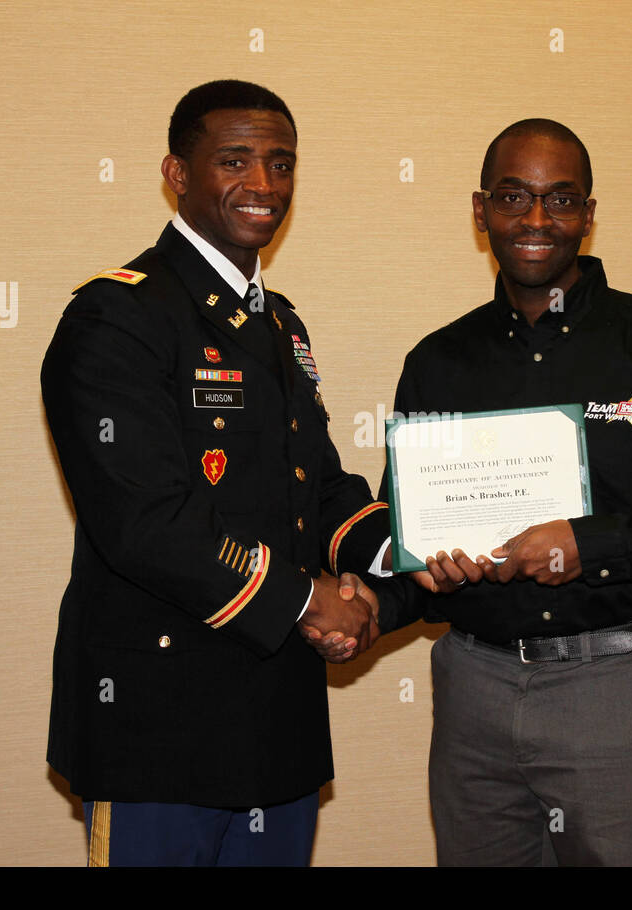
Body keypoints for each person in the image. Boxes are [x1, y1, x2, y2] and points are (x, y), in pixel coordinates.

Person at [367, 119, 632, 865]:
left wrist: (585, 542)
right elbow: (408, 542)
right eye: (513, 197)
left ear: (589, 215)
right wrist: (369, 604)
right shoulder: (437, 361)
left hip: (615, 687)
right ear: (479, 209)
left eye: (559, 199)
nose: (535, 220)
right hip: (473, 685)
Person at [41, 79, 389, 867]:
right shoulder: (116, 316)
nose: (263, 185)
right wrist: (308, 601)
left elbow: (317, 487)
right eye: (235, 161)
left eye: (281, 163)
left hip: (278, 723)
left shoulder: (278, 319)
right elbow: (146, 523)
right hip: (159, 733)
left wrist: (409, 544)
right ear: (176, 173)